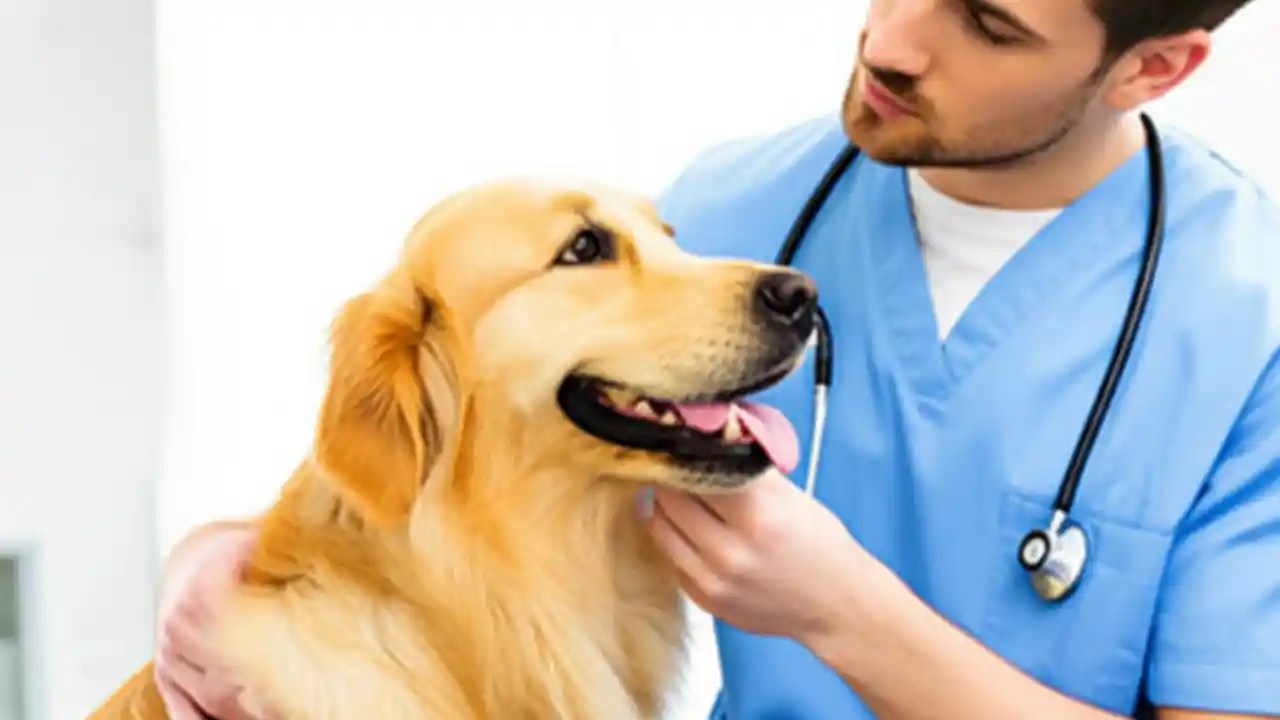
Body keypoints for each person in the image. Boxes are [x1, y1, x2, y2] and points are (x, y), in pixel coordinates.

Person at [152, 0, 1280, 717]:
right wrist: (224, 562)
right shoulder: (731, 210)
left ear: (1152, 68)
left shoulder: (1244, 323)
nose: (892, 39)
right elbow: (468, 461)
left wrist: (838, 612)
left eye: (986, 23)